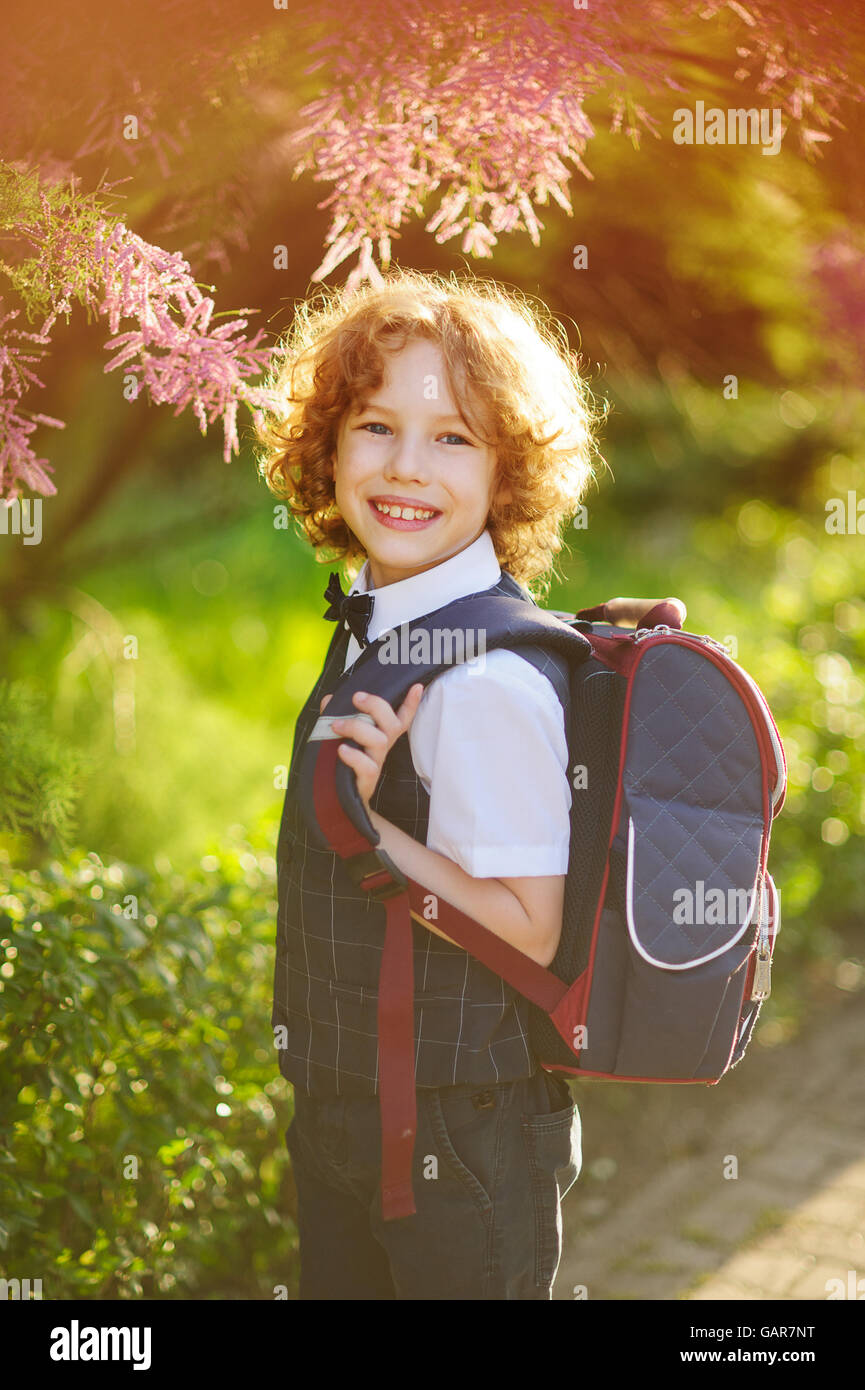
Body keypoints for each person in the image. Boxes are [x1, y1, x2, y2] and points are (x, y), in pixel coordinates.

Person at [254, 268, 608, 1300]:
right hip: (353, 1113)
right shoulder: (385, 619)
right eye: (374, 426)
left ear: (508, 472)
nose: (406, 467)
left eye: (452, 436)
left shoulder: (483, 679)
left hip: (460, 1135)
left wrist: (379, 837)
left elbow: (528, 929)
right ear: (327, 444)